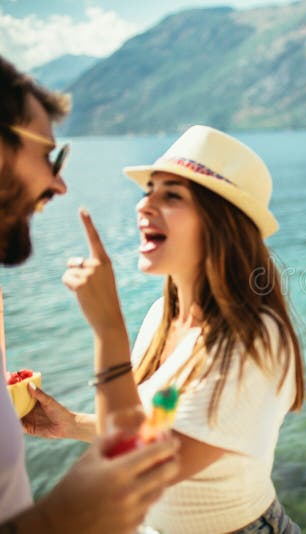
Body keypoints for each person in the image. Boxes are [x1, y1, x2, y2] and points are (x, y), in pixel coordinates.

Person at [22, 125, 306, 533]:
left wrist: (108, 329)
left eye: (171, 196)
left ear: (221, 224)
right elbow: (157, 428)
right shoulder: (161, 317)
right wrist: (69, 424)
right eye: (148, 191)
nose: (144, 205)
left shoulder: (255, 340)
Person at [0, 54, 179, 533]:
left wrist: (75, 425)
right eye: (49, 157)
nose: (59, 183)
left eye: (171, 196)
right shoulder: (159, 318)